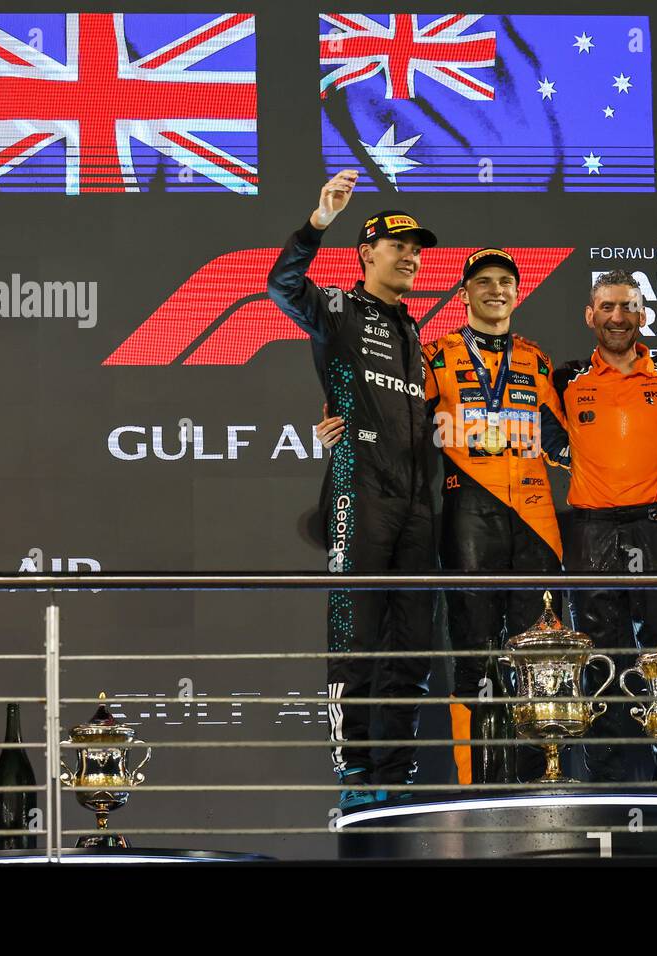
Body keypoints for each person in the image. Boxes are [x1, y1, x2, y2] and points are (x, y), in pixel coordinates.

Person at [321, 249, 570, 786]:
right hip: (467, 512)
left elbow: (565, 442)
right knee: (474, 655)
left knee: (540, 654)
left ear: (518, 292)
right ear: (464, 294)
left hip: (536, 518)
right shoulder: (433, 355)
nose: (495, 290)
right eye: (483, 282)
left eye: (506, 281)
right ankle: (477, 782)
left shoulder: (538, 360)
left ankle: (536, 779)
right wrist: (339, 422)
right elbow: (395, 413)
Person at [266, 169, 437, 808]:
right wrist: (318, 221)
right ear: (367, 253)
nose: (413, 257)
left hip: (418, 503)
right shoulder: (337, 308)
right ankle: (356, 772)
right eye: (400, 247)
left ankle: (399, 772)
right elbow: (281, 285)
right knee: (355, 634)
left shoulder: (415, 330)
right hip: (356, 487)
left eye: (417, 249)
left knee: (412, 642)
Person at [553, 270, 657, 782]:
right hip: (591, 529)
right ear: (590, 315)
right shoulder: (564, 376)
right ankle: (607, 776)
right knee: (598, 654)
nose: (617, 317)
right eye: (607, 307)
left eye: (628, 307)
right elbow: (541, 430)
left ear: (643, 315)